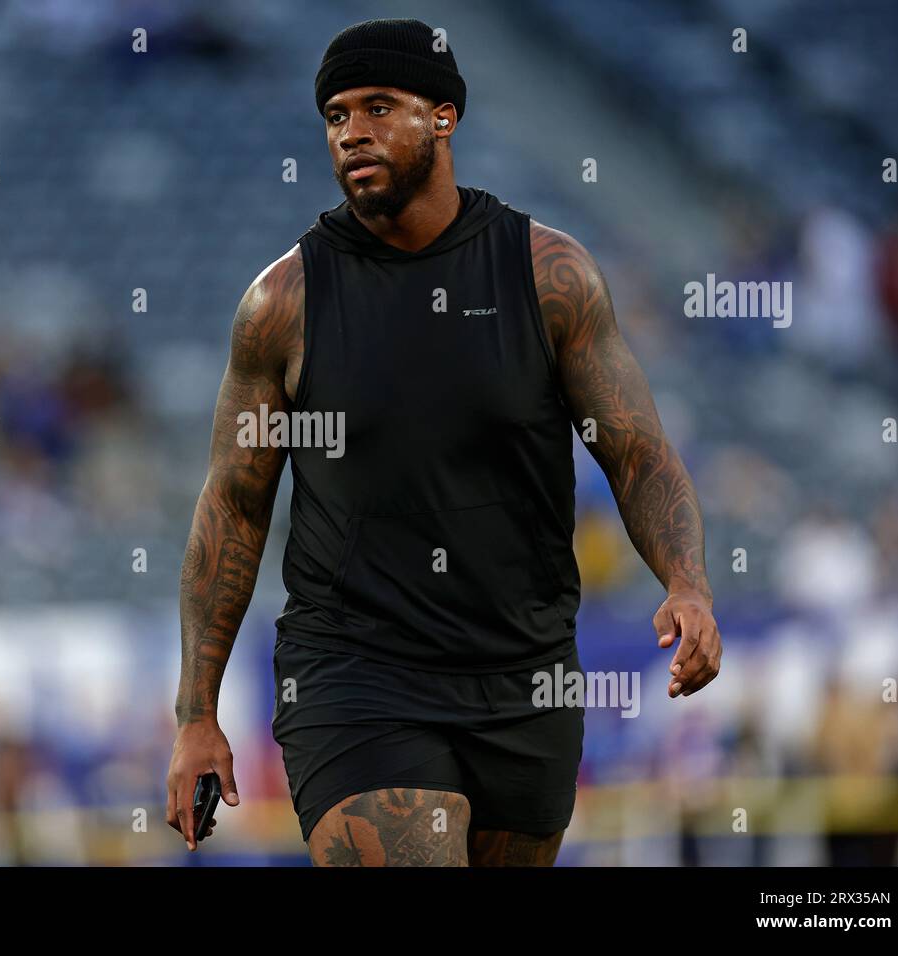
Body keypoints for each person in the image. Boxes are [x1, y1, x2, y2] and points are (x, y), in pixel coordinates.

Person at [167, 17, 721, 866]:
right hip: (355, 676)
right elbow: (234, 508)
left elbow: (637, 451)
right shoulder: (283, 306)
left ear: (442, 118)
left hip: (524, 674)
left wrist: (687, 582)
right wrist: (196, 713)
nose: (351, 132)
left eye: (377, 106)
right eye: (335, 116)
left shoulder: (549, 277)